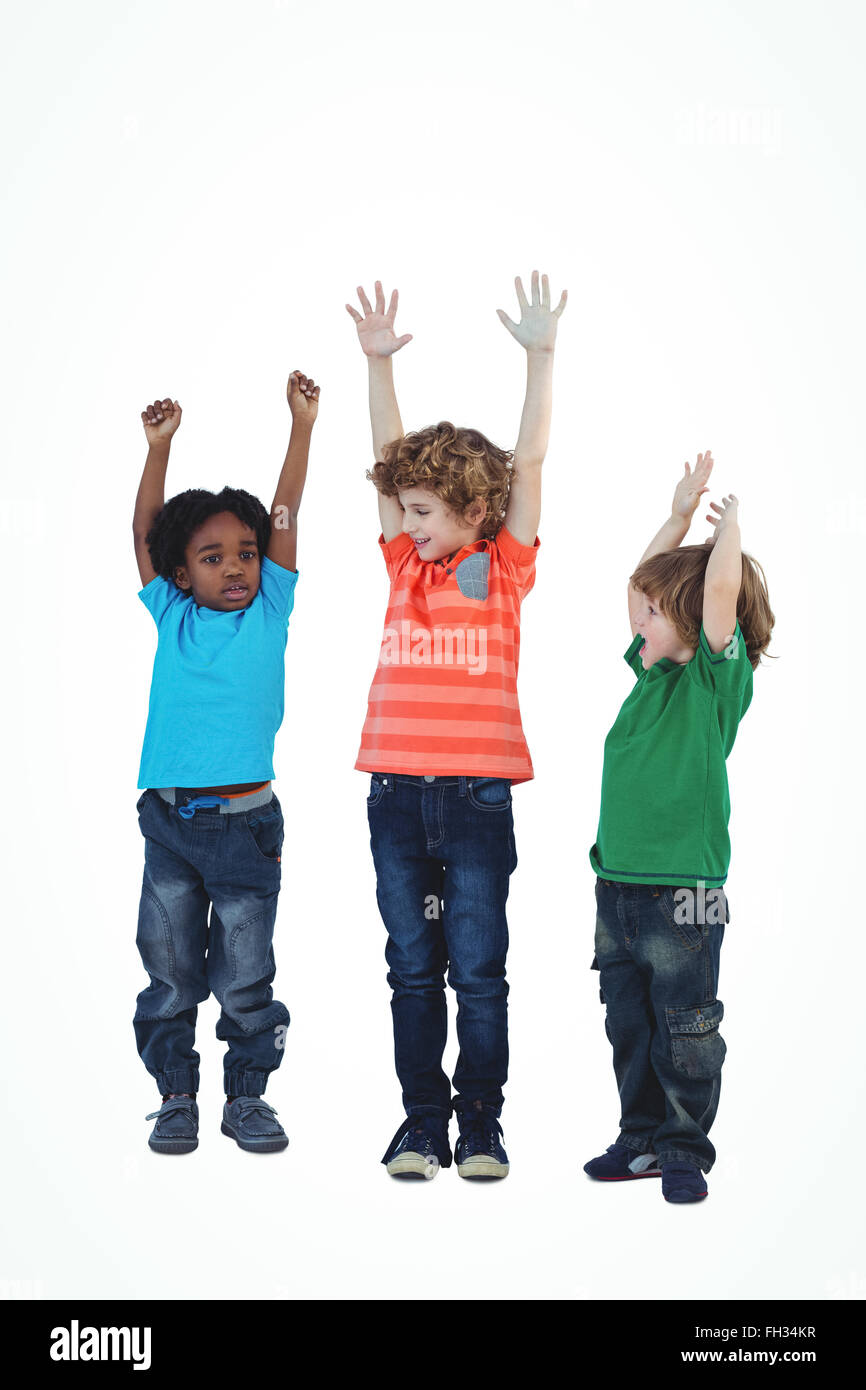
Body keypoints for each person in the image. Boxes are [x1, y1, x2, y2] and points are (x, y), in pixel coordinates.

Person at [346, 273, 566, 1179]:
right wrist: (377, 365)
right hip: (396, 796)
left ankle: (481, 1120)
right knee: (410, 970)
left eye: (424, 511)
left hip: (476, 801)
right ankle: (420, 1123)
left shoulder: (503, 566)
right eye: (402, 510)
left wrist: (541, 357)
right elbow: (388, 451)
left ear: (473, 513)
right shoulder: (405, 565)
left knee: (477, 971)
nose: (407, 522)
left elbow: (532, 462)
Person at [131, 370, 319, 1154]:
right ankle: (177, 1095)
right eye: (213, 558)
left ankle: (247, 1097)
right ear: (181, 574)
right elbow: (145, 532)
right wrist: (158, 451)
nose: (237, 567)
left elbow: (285, 516)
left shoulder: (270, 608)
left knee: (245, 978)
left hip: (247, 829)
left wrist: (301, 427)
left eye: (245, 554)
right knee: (171, 971)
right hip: (171, 824)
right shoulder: (171, 613)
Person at [585, 450, 774, 1202]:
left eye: (658, 612)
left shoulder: (709, 684)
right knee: (629, 1028)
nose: (639, 616)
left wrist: (727, 531)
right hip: (617, 890)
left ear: (697, 625)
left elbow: (720, 589)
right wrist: (674, 515)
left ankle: (684, 1149)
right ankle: (640, 1140)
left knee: (687, 1030)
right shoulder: (651, 673)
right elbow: (640, 582)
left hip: (683, 898)